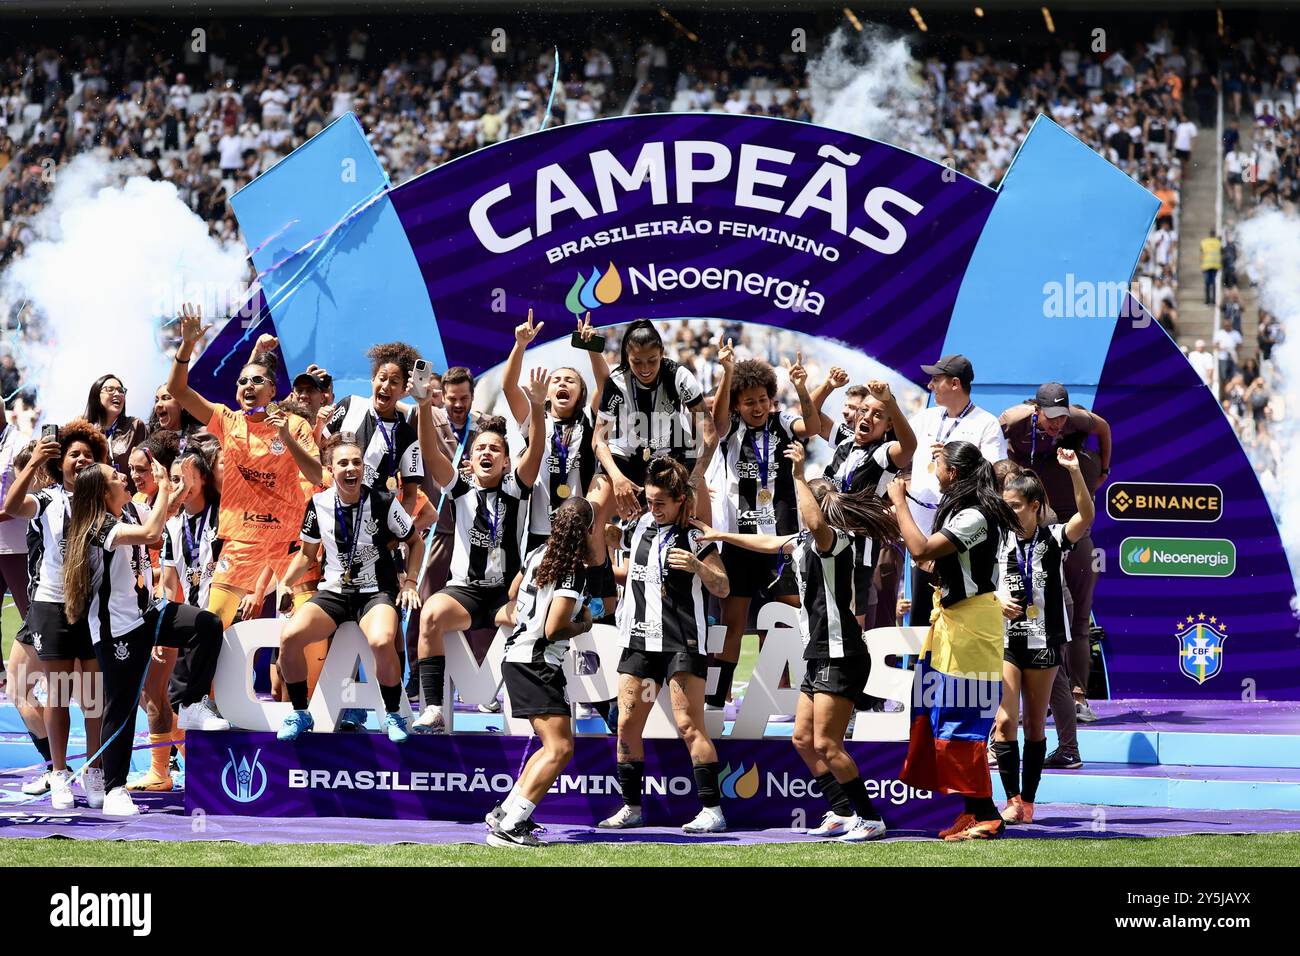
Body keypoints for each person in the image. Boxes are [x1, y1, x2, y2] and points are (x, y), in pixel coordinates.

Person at [695, 442, 900, 841]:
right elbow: (770, 543)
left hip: (841, 654)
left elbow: (815, 523)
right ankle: (841, 811)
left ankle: (870, 817)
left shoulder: (834, 540)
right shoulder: (805, 542)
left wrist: (799, 476)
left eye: (806, 503)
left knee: (826, 742)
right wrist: (720, 534)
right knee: (803, 739)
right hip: (820, 653)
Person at [62, 459, 228, 817]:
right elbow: (154, 534)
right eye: (115, 478)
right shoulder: (98, 525)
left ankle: (192, 703)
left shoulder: (131, 508)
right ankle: (114, 788)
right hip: (117, 628)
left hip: (148, 610)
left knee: (207, 625)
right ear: (103, 492)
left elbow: (164, 511)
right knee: (121, 705)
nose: (124, 478)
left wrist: (174, 483)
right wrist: (167, 488)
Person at [886, 440, 1020, 841]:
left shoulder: (976, 515)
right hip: (952, 623)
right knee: (941, 715)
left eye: (938, 465)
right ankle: (973, 810)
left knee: (963, 721)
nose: (934, 471)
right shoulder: (967, 511)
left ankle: (987, 815)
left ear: (954, 473)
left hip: (971, 628)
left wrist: (900, 503)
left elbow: (922, 547)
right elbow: (930, 558)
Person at [598, 457, 731, 834]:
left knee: (689, 724)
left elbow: (723, 586)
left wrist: (698, 567)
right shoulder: (639, 524)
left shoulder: (694, 536)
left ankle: (712, 811)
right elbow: (620, 555)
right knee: (626, 724)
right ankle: (631, 808)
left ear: (679, 502)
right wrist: (608, 541)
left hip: (682, 643)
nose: (653, 509)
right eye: (650, 501)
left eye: (661, 504)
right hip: (639, 642)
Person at [411, 370, 548, 733]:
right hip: (467, 593)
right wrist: (425, 406)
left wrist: (536, 406)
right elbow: (430, 451)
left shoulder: (517, 488)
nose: (487, 452)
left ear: (506, 462)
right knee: (431, 615)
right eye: (480, 449)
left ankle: (535, 709)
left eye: (495, 449)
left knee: (542, 624)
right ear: (469, 461)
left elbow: (535, 451)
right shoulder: (459, 490)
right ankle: (434, 708)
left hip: (507, 593)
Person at [166, 303, 319, 628]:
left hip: (289, 541)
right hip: (242, 540)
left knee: (304, 629)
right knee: (211, 625)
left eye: (257, 381)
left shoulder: (293, 424)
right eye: (242, 382)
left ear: (273, 390)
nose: (248, 386)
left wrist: (286, 437)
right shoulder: (226, 419)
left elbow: (317, 475)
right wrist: (187, 346)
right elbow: (177, 390)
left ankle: (307, 682)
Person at [276, 434, 424, 742]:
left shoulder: (383, 501)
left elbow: (415, 542)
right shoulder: (317, 504)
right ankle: (301, 712)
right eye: (342, 463)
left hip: (375, 592)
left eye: (356, 462)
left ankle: (394, 714)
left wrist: (409, 581)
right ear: (330, 470)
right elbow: (307, 555)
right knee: (290, 637)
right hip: (333, 592)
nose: (350, 468)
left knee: (383, 641)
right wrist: (286, 583)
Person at [705, 343, 822, 709]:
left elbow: (814, 426)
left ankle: (786, 697)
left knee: (787, 616)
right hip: (742, 542)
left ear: (771, 398)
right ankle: (716, 697)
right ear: (738, 404)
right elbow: (716, 419)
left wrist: (802, 388)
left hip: (785, 541)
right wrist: (727, 371)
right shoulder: (730, 430)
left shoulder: (784, 421)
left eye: (762, 400)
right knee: (732, 621)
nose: (756, 408)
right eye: (748, 402)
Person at [2, 419, 109, 811]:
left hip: (94, 607)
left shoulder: (107, 498)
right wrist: (33, 465)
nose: (81, 460)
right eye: (73, 454)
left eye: (88, 454)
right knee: (59, 694)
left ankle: (95, 772)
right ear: (60, 462)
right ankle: (61, 774)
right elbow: (12, 506)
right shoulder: (46, 499)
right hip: (52, 605)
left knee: (93, 697)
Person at [485, 496, 601, 848]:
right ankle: (512, 825)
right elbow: (554, 628)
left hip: (520, 657)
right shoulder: (572, 570)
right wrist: (583, 625)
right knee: (561, 748)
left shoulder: (537, 554)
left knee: (553, 745)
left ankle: (506, 812)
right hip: (538, 662)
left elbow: (512, 592)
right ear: (588, 531)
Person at [1000, 383, 1110, 729]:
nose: (1057, 426)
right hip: (1032, 533)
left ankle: (1077, 698)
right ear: (1036, 411)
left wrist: (1104, 470)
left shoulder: (1077, 423)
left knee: (1078, 618)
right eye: (1050, 419)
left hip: (1072, 530)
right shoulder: (1014, 420)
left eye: (1062, 419)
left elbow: (1103, 427)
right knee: (1027, 621)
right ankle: (1027, 702)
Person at [992, 449, 1094, 823]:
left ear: (1034, 506)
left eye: (1016, 506)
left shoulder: (1053, 538)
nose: (1009, 512)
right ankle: (1012, 798)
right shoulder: (998, 540)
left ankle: (1029, 802)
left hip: (1045, 641)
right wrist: (996, 599)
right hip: (1005, 641)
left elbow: (1086, 516)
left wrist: (1074, 471)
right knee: (1005, 721)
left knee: (1035, 725)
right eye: (1006, 505)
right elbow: (979, 584)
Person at [905, 355, 1006, 628]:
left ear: (955, 383)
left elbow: (991, 476)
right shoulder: (925, 418)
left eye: (936, 380)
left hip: (958, 537)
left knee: (951, 613)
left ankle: (952, 668)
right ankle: (921, 670)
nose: (930, 385)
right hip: (921, 532)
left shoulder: (986, 423)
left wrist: (954, 459)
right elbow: (900, 449)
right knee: (921, 619)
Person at [590, 318, 717, 526]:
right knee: (595, 501)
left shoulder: (680, 376)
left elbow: (710, 435)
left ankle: (703, 554)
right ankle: (603, 555)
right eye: (637, 362)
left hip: (672, 454)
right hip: (627, 456)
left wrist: (692, 484)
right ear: (627, 358)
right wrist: (617, 477)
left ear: (662, 353)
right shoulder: (617, 382)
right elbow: (598, 441)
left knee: (699, 510)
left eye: (652, 360)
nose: (645, 369)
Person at [823, 380, 916, 626]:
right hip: (825, 545)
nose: (867, 418)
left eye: (878, 415)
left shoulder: (883, 453)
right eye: (864, 411)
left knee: (853, 626)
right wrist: (808, 386)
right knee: (822, 618)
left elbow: (909, 446)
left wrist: (890, 403)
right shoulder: (844, 443)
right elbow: (813, 422)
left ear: (889, 425)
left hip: (857, 554)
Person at [1, 438, 52, 796]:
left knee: (26, 688)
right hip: (47, 611)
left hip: (50, 610)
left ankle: (60, 770)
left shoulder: (46, 504)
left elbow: (11, 504)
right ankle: (63, 770)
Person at [321, 342, 424, 505]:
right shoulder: (349, 405)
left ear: (404, 389)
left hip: (376, 523)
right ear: (372, 379)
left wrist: (398, 528)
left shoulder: (408, 436)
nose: (386, 386)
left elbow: (411, 495)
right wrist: (319, 423)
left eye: (394, 382)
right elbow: (317, 446)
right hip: (336, 511)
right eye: (382, 378)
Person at [84, 373, 149, 490]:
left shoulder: (135, 426)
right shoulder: (86, 431)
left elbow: (147, 466)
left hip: (132, 499)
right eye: (110, 390)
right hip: (98, 500)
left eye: (121, 391)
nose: (117, 394)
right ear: (97, 395)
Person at [1200, 228, 1221, 305]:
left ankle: (1207, 300)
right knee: (1214, 283)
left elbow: (1201, 254)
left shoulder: (1204, 242)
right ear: (1214, 234)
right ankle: (1214, 300)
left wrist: (1201, 264)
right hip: (1215, 265)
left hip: (1206, 265)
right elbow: (1221, 252)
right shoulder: (1218, 242)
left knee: (1207, 283)